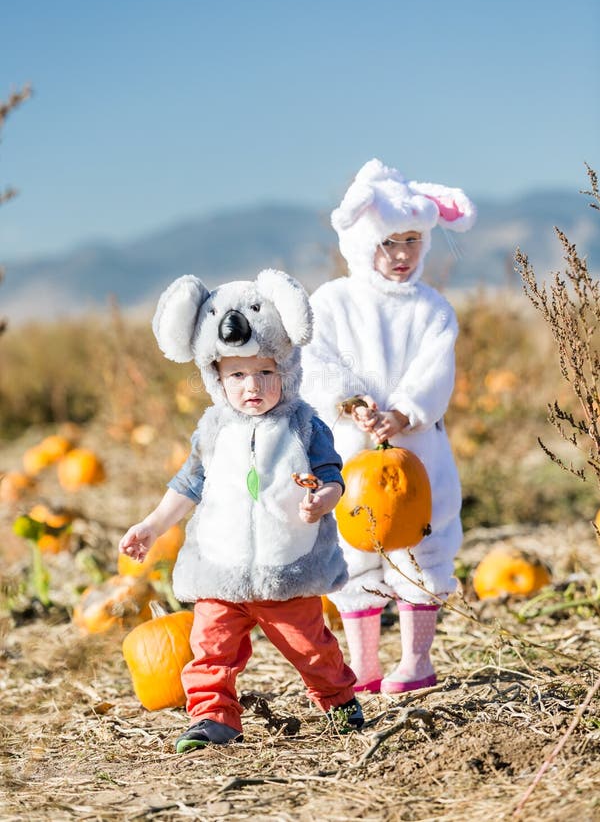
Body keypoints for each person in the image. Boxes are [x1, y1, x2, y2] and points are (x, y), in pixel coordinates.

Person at [119, 269, 362, 752]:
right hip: (222, 571)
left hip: (286, 568)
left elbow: (333, 476)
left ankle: (338, 701)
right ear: (216, 378)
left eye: (265, 371)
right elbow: (187, 486)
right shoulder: (212, 430)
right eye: (237, 374)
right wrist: (150, 526)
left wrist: (324, 499)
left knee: (311, 647)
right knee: (209, 648)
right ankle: (214, 717)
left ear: (287, 369)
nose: (253, 385)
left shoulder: (305, 426)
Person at [301, 158, 477, 694]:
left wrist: (402, 412)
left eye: (413, 241)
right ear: (360, 243)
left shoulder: (432, 309)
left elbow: (434, 370)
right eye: (388, 242)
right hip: (350, 453)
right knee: (355, 553)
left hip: (417, 452)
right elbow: (318, 360)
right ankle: (365, 666)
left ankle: (417, 661)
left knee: (419, 548)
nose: (402, 255)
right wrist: (351, 403)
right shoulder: (332, 302)